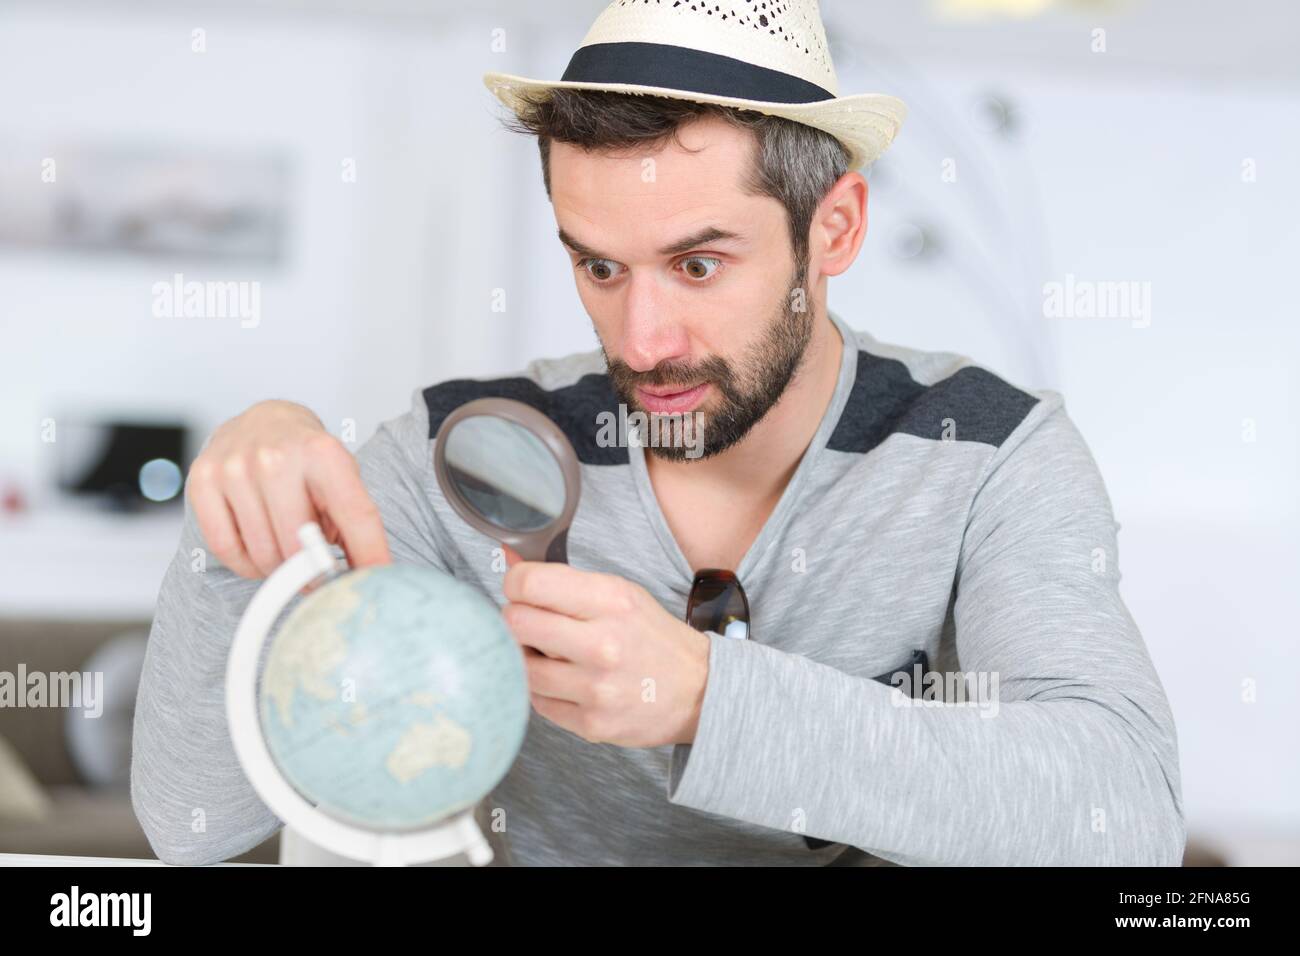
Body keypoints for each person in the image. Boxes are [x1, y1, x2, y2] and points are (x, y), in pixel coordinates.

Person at [131, 0, 1185, 866]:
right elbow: (193, 828)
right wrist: (233, 544)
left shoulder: (989, 450)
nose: (642, 340)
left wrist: (706, 697)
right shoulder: (458, 447)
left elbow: (1122, 816)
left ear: (837, 228)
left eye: (696, 264)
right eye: (598, 265)